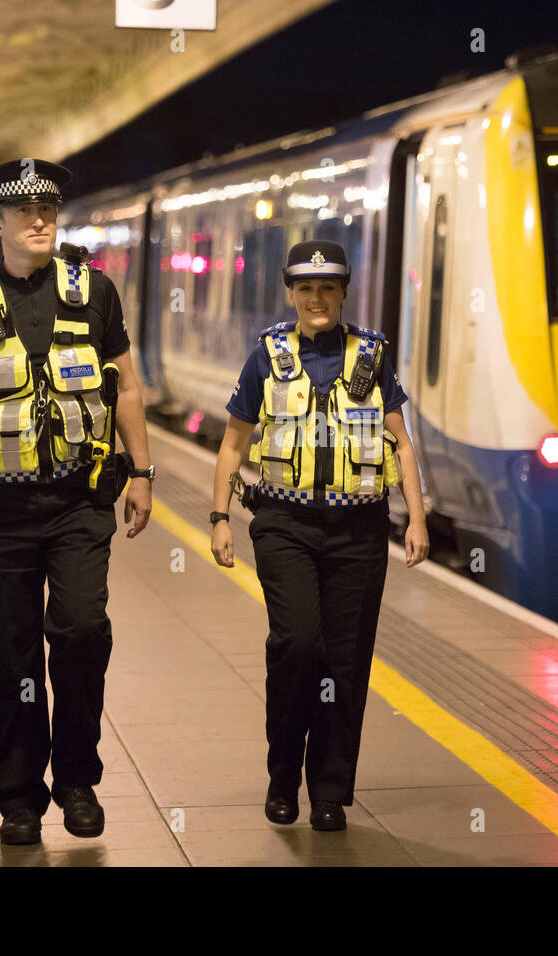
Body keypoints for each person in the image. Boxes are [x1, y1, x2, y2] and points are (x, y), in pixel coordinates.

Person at [0, 159, 155, 847]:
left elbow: (127, 387)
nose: (39, 218)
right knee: (12, 654)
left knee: (80, 631)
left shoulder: (95, 292)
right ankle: (20, 797)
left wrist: (143, 472)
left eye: (48, 207)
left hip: (80, 501)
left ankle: (77, 779)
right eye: (23, 210)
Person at [209, 239, 430, 831]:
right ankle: (283, 776)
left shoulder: (372, 356)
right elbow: (232, 442)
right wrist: (219, 518)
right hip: (284, 524)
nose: (317, 298)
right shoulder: (267, 356)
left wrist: (417, 519)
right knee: (298, 644)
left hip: (359, 530)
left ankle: (329, 790)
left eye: (328, 287)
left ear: (343, 293)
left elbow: (401, 443)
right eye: (306, 288)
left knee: (343, 662)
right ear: (290, 294)